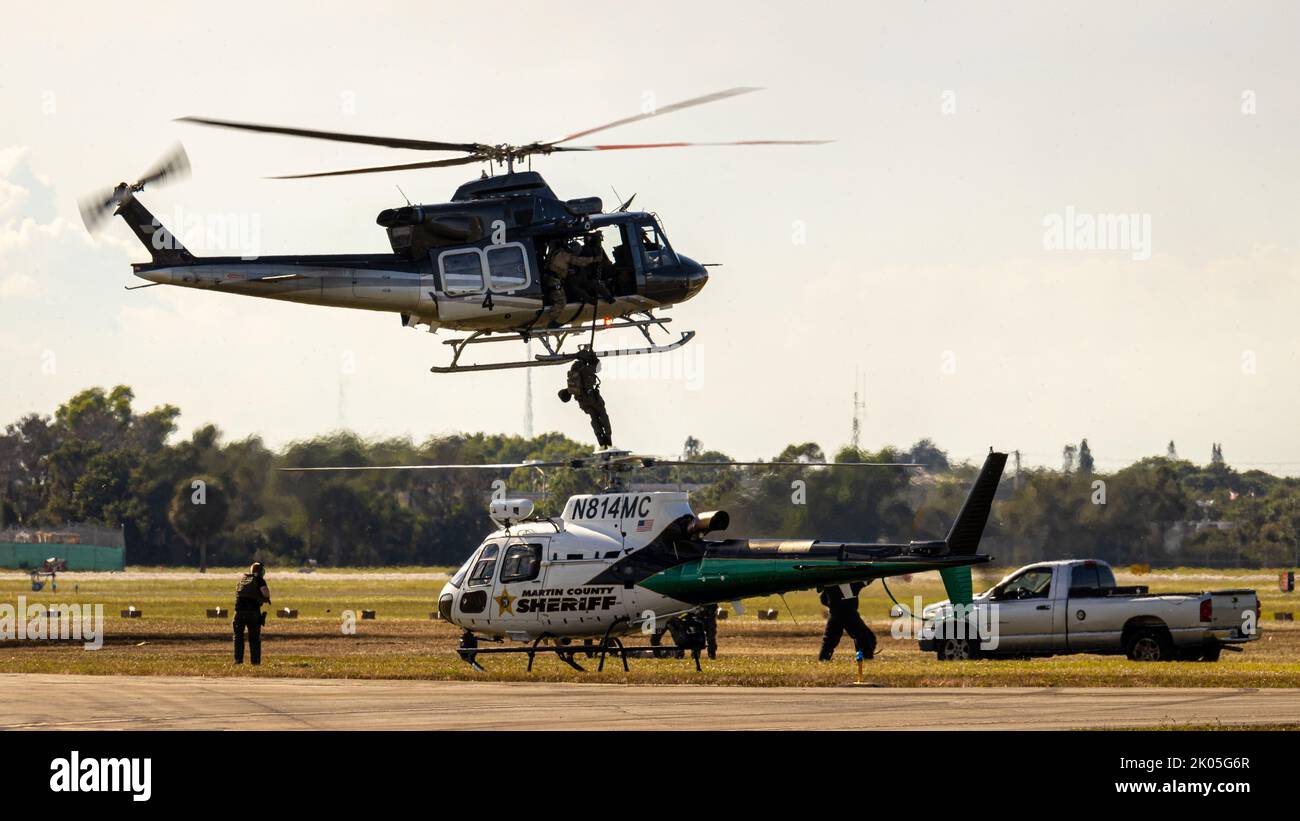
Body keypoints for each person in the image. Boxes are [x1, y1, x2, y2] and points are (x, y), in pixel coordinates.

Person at [557, 350, 612, 448]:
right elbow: (597, 367)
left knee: (593, 417)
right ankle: (607, 437)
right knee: (603, 415)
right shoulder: (586, 369)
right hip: (592, 398)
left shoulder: (573, 371)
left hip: (582, 401)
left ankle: (599, 437)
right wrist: (593, 358)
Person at [817, 581, 876, 661]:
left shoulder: (830, 582)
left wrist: (833, 605)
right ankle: (867, 658)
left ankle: (823, 660)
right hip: (849, 614)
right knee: (866, 638)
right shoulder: (853, 581)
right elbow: (866, 580)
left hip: (836, 615)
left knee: (829, 641)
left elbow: (823, 599)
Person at [233, 561, 271, 665]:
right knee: (254, 638)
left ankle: (238, 661)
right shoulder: (259, 579)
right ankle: (255, 662)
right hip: (253, 612)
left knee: (238, 637)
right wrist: (265, 598)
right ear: (261, 571)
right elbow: (266, 593)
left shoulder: (243, 579)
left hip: (238, 612)